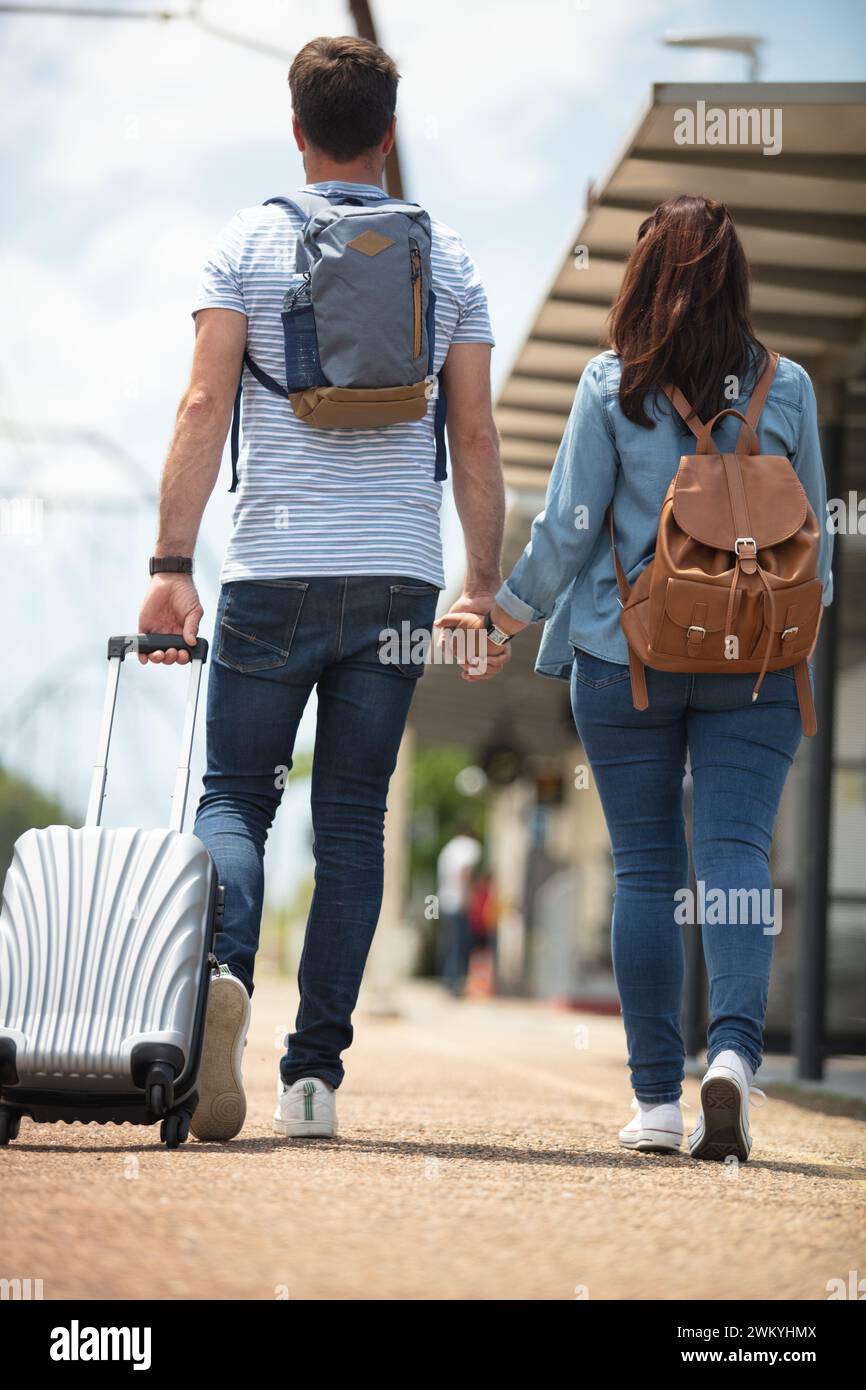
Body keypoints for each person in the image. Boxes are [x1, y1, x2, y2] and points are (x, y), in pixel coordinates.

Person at [136, 35, 510, 1142]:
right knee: (351, 820)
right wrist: (479, 586)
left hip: (267, 572)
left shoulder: (244, 243)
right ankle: (312, 1081)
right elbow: (478, 436)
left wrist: (169, 567)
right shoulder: (449, 263)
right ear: (388, 135)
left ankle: (221, 981)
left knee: (237, 796)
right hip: (397, 576)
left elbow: (202, 411)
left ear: (295, 131)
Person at [436, 196, 833, 1162]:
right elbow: (816, 536)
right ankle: (734, 1060)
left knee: (648, 872)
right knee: (735, 855)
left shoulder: (614, 385)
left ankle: (658, 1104)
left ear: (644, 278)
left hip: (629, 662)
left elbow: (570, 530)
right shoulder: (788, 388)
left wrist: (503, 615)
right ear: (736, 279)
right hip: (755, 664)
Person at [436, 827, 482, 995]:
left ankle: (447, 981)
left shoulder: (448, 849)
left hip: (443, 901)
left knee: (448, 944)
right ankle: (456, 984)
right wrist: (468, 896)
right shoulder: (469, 847)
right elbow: (465, 871)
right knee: (459, 944)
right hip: (458, 902)